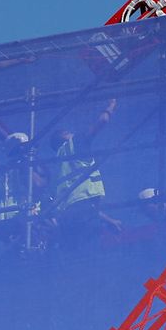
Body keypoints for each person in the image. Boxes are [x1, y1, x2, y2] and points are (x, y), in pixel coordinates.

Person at [49, 99, 122, 244]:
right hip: (82, 213)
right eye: (68, 132)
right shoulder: (75, 144)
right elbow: (103, 121)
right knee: (91, 248)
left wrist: (109, 220)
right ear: (63, 136)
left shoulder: (58, 164)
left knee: (79, 253)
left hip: (68, 216)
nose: (72, 133)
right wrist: (111, 106)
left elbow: (79, 203)